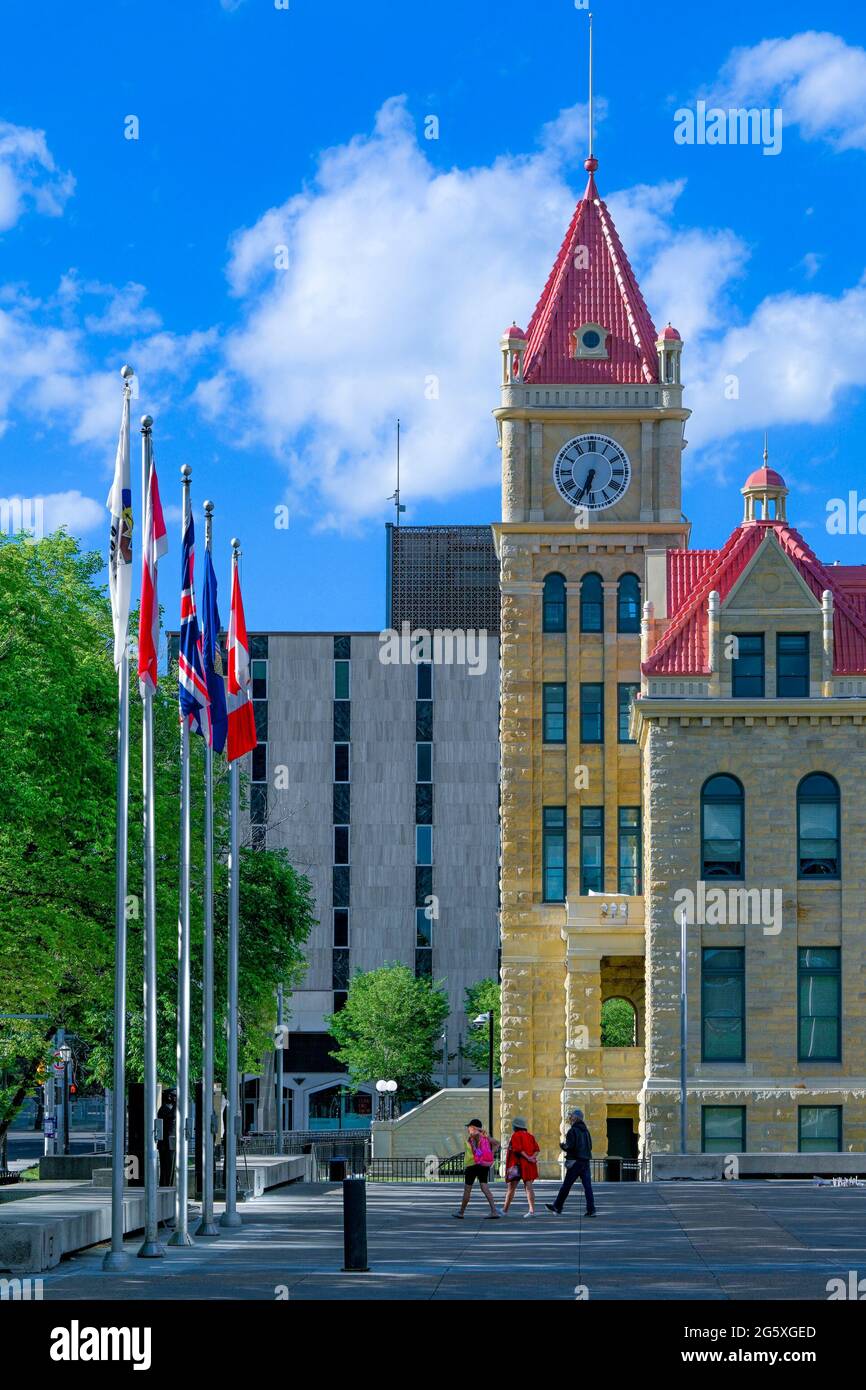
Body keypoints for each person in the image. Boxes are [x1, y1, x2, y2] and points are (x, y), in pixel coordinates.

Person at [546, 1108, 597, 1217]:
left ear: (576, 1118)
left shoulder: (572, 1131)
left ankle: (557, 1206)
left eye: (572, 1116)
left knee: (566, 1185)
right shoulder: (586, 1131)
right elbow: (590, 1146)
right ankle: (591, 1210)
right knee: (588, 1187)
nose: (570, 1118)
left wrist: (563, 1146)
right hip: (585, 1162)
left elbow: (569, 1146)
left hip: (575, 1162)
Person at [453, 1119, 500, 1218]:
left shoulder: (473, 1137)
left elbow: (476, 1151)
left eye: (469, 1127)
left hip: (472, 1165)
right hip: (483, 1165)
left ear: (473, 1127)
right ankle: (494, 1211)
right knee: (484, 1187)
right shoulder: (485, 1137)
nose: (468, 1129)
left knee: (467, 1189)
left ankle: (461, 1212)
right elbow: (497, 1143)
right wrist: (490, 1154)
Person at [501, 1116, 539, 1217]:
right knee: (529, 1187)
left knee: (511, 1188)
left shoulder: (515, 1135)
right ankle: (532, 1210)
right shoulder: (530, 1136)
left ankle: (505, 1210)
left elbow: (518, 1149)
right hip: (528, 1165)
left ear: (515, 1126)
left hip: (516, 1165)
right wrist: (531, 1158)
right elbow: (537, 1150)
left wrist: (527, 1157)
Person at [157, 1088, 177, 1187]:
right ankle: (165, 1185)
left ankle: (168, 1185)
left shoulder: (170, 1108)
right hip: (166, 1144)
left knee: (171, 1167)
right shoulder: (164, 1109)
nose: (176, 1098)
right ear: (169, 1097)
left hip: (171, 1142)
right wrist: (177, 1104)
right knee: (166, 1167)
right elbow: (172, 1116)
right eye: (175, 1096)